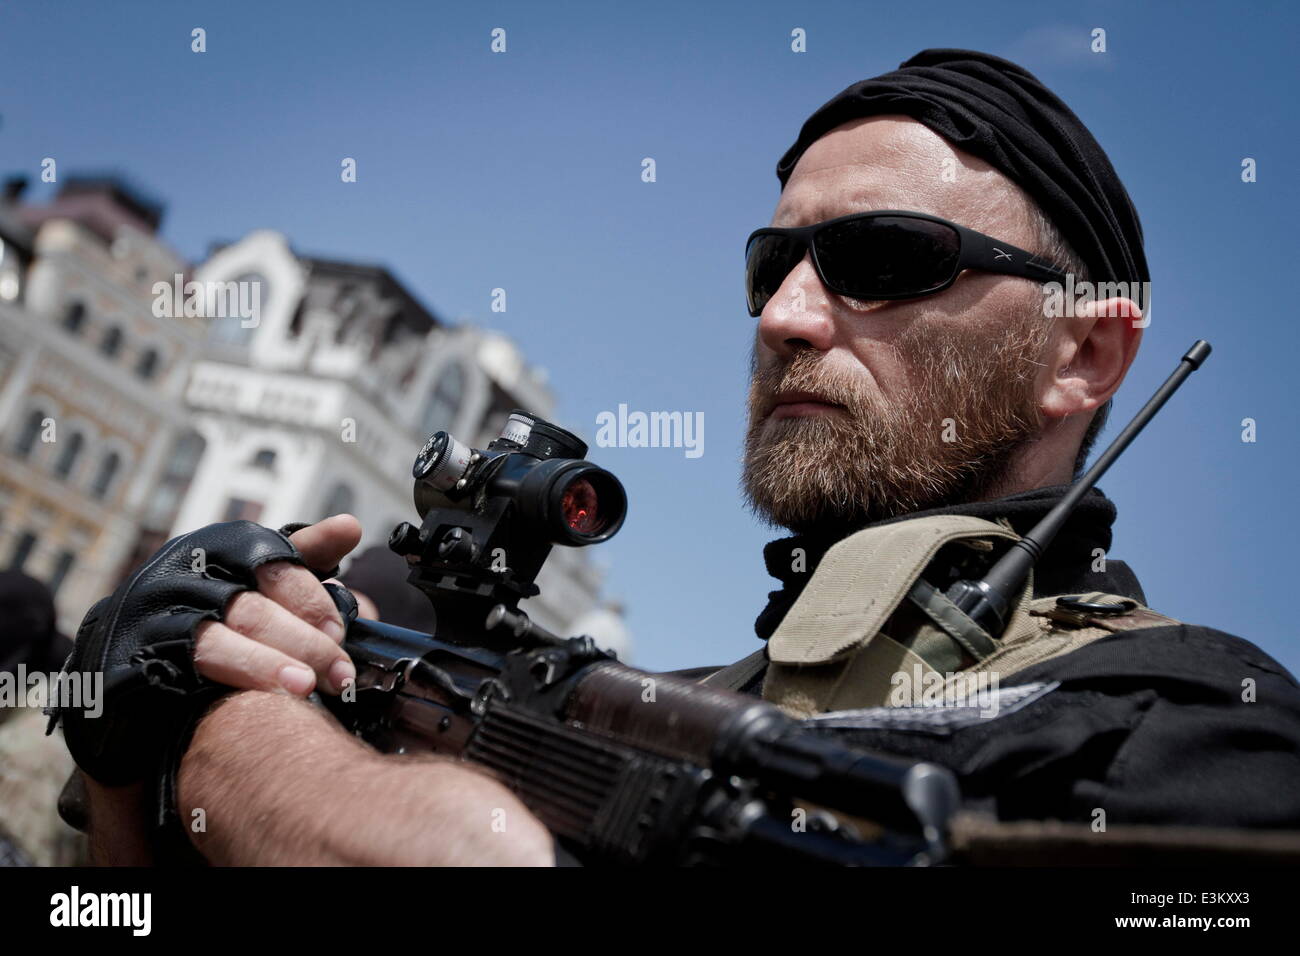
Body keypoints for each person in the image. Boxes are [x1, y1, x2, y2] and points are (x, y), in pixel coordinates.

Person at [57, 49, 1300, 866]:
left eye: (885, 261)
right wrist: (137, 754)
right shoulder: (676, 690)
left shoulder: (1192, 731)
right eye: (776, 265)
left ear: (1082, 351)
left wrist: (244, 745)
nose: (786, 316)